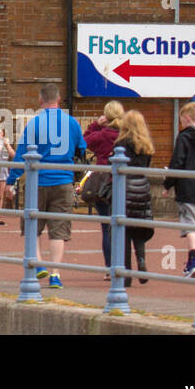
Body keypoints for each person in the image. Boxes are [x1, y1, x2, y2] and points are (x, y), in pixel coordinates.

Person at [5, 82, 85, 289]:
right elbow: (82, 150)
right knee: (59, 231)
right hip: (64, 181)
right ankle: (55, 274)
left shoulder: (34, 124)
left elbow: (22, 154)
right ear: (59, 100)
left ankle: (38, 264)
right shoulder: (72, 123)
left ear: (41, 100)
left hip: (38, 181)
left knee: (33, 226)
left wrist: (11, 180)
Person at [162, 99, 195, 278]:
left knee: (190, 223)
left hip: (187, 185)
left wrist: (167, 184)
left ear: (186, 118)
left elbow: (178, 162)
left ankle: (194, 261)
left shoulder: (184, 137)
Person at [113, 110, 155, 288]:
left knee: (125, 229)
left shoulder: (121, 144)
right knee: (139, 227)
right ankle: (142, 259)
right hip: (142, 187)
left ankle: (126, 273)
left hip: (125, 188)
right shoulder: (146, 145)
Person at [84, 100, 125, 272]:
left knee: (106, 227)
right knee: (122, 224)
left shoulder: (102, 135)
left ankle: (109, 267)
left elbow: (84, 141)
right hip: (122, 182)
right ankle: (123, 264)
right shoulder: (126, 134)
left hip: (103, 183)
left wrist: (95, 124)